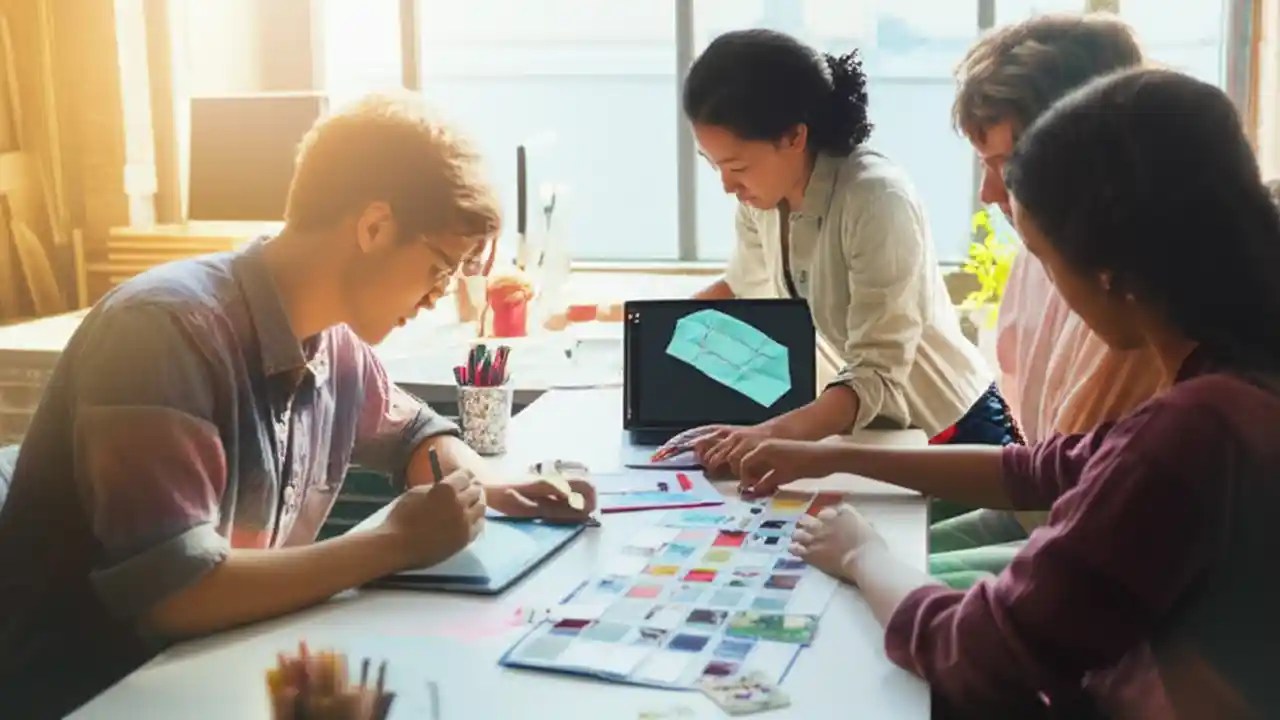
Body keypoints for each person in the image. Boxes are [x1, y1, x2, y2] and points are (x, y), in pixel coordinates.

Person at [0, 93, 597, 717]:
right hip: (98, 695)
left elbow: (415, 434)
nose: (438, 296)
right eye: (440, 269)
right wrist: (392, 542)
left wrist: (495, 488)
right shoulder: (164, 332)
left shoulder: (333, 342)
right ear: (373, 227)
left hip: (221, 671)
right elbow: (173, 593)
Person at [739, 68, 1280, 718]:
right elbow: (1037, 470)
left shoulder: (1197, 427)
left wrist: (863, 553)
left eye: (1046, 258)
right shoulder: (1236, 382)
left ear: (1111, 273)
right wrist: (831, 456)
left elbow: (977, 649)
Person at [663, 29, 1005, 482]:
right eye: (716, 166)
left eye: (737, 167)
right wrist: (655, 348)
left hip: (949, 432)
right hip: (868, 435)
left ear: (794, 137)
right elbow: (743, 287)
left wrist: (767, 435)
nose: (727, 185)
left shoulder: (875, 198)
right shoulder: (764, 200)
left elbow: (877, 371)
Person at [929, 13, 1165, 588]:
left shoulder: (1133, 293)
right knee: (851, 547)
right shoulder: (1039, 252)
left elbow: (1067, 486)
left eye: (1003, 168)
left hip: (1096, 541)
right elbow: (1043, 463)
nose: (988, 194)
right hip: (1041, 506)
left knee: (882, 573)